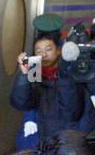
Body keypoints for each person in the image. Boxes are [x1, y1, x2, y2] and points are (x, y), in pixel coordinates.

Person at [9, 16, 88, 144]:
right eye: (38, 50)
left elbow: (71, 111)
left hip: (66, 140)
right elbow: (21, 104)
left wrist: (64, 74)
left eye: (48, 49)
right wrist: (24, 75)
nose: (43, 55)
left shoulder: (69, 72)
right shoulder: (34, 70)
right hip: (41, 139)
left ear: (58, 51)